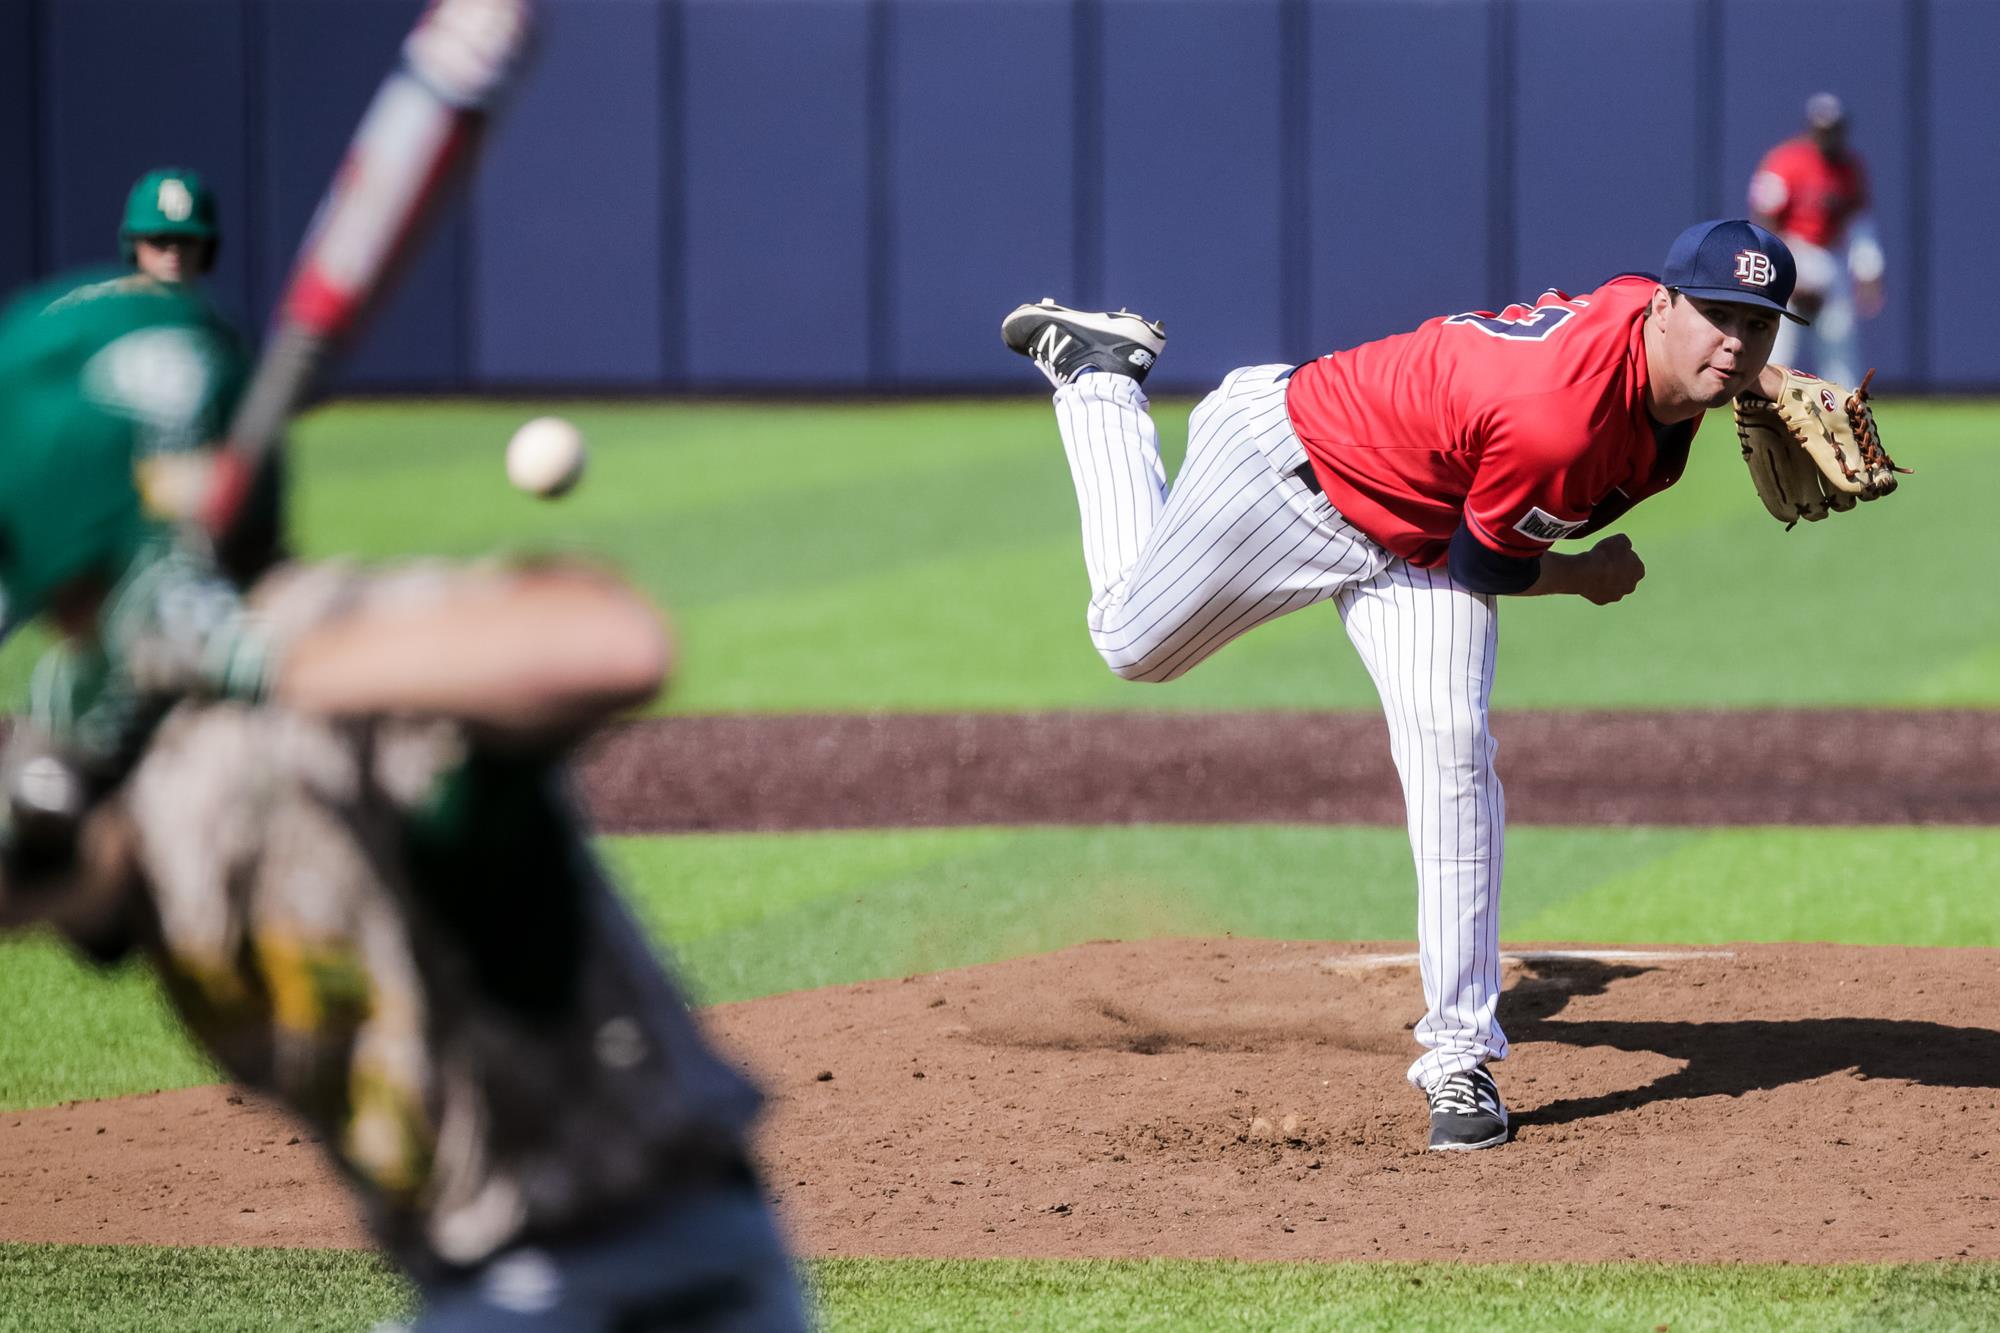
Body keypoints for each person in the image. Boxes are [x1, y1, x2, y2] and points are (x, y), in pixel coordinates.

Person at [0, 268, 810, 1331]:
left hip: (645, 1267)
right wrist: (43, 798)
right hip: (488, 1283)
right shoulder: (102, 725)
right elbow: (65, 879)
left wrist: (245, 651)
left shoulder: (337, 634)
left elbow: (615, 644)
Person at [1001, 218, 1804, 1153]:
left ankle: (1459, 1055)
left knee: (1454, 755)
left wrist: (1764, 378)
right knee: (1130, 643)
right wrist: (1585, 575)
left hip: (1425, 527)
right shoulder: (1561, 421)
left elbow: (1682, 337)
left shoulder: (1652, 326)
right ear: (1663, 307)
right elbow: (1487, 565)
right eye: (1715, 317)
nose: (1734, 342)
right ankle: (1099, 377)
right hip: (1292, 468)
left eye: (1757, 325)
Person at [1749, 92, 1884, 387]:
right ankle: (1763, 404)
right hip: (1791, 251)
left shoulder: (1850, 168)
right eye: (1822, 129)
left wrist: (1868, 271)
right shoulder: (1785, 160)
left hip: (1830, 258)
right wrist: (1783, 270)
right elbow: (1765, 218)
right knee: (1778, 344)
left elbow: (1859, 223)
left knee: (1839, 343)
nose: (1828, 136)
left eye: (1833, 129)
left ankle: (1846, 407)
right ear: (1810, 128)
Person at [118, 167, 222, 289]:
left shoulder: (214, 302)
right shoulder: (108, 300)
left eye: (186, 240)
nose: (174, 251)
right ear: (133, 245)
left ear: (207, 250)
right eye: (160, 239)